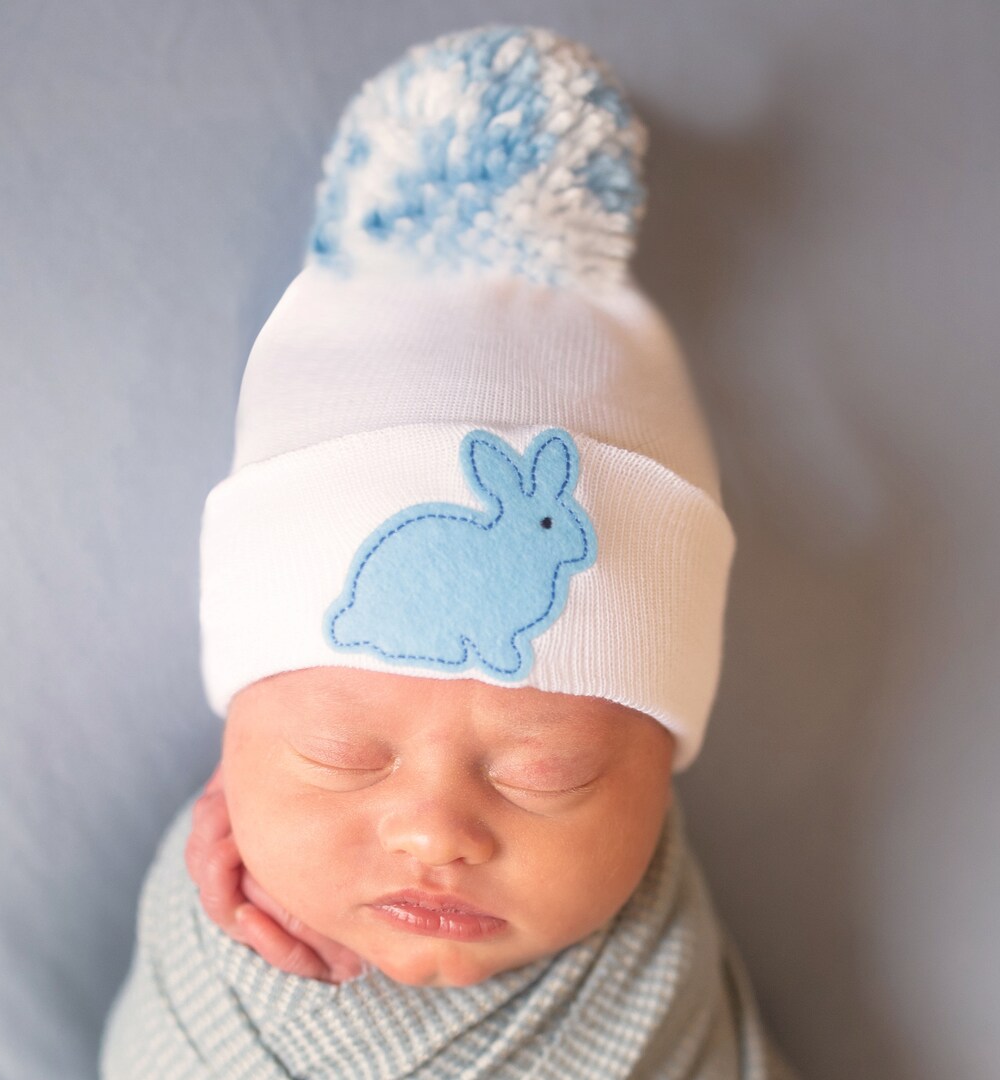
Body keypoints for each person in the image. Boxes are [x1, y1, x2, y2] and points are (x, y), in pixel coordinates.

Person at [101, 24, 798, 1078]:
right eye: (338, 757)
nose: (436, 835)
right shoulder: (214, 945)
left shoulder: (654, 970)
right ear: (232, 755)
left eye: (546, 774)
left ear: (661, 780)